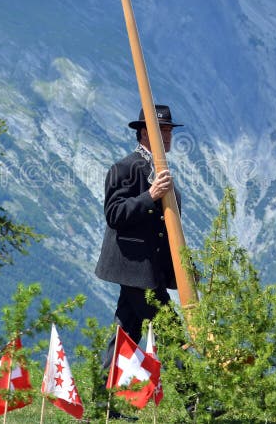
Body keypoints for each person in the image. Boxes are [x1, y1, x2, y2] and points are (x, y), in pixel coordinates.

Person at [94, 105, 182, 403]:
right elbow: (114, 214)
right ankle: (198, 398)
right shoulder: (126, 168)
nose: (168, 136)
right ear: (144, 133)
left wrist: (182, 266)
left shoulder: (158, 169)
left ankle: (102, 399)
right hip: (134, 268)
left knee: (126, 332)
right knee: (171, 331)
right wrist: (150, 196)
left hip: (148, 269)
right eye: (162, 130)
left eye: (169, 130)